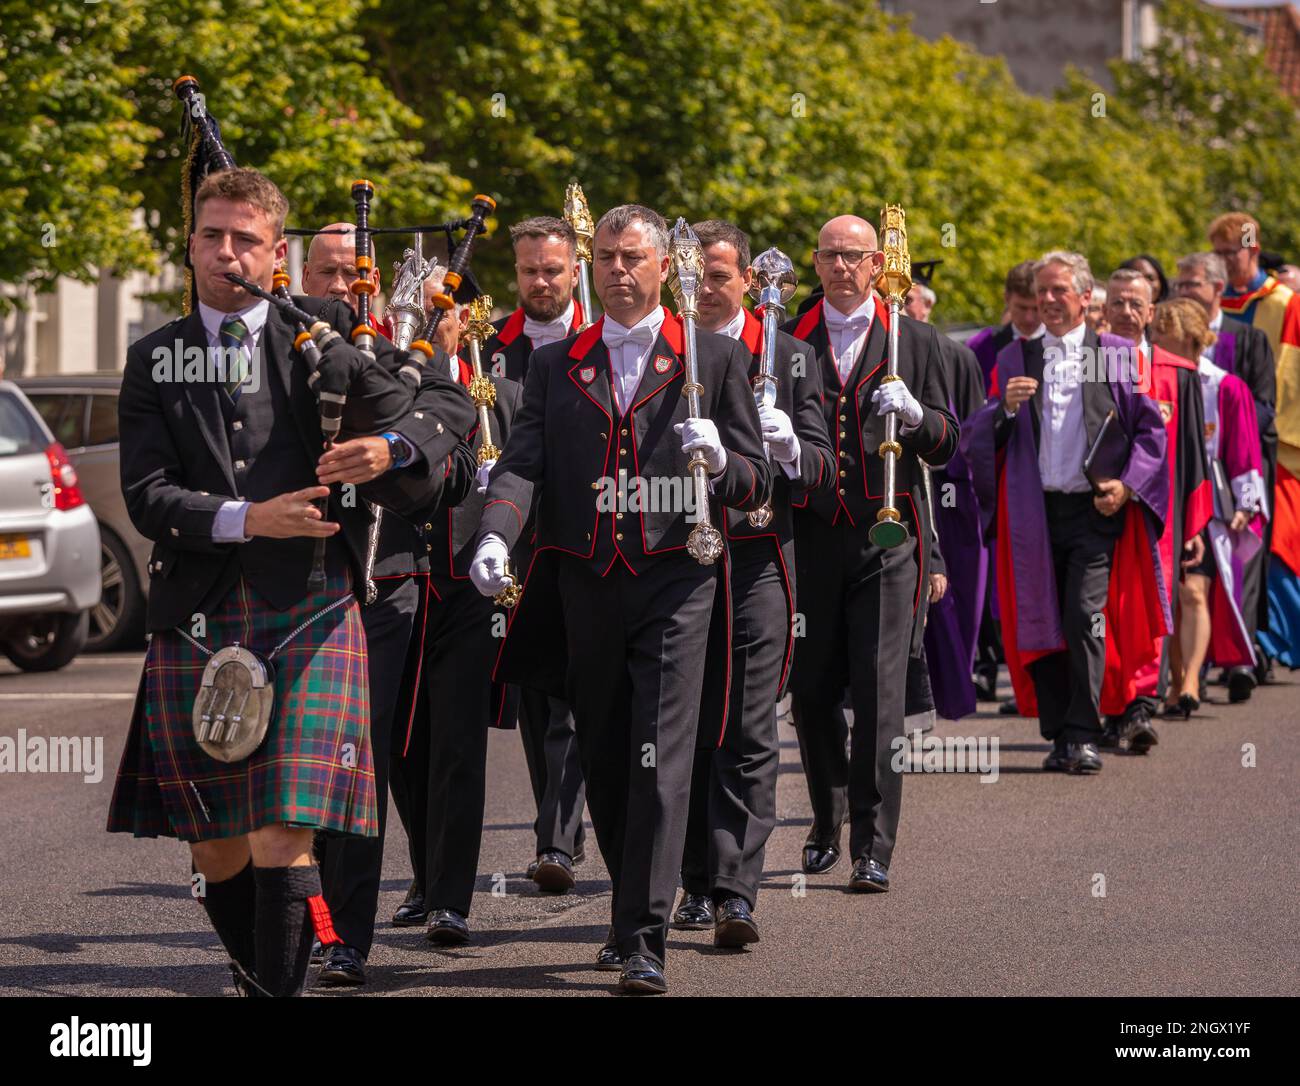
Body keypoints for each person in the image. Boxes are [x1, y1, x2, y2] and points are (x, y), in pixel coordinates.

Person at [106, 167, 474, 996]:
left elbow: (449, 403)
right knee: (214, 844)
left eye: (246, 240)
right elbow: (145, 494)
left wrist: (393, 448)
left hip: (310, 601)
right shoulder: (153, 358)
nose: (225, 253)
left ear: (277, 255)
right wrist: (248, 516)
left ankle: (278, 990)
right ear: (191, 242)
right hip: (197, 611)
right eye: (212, 235)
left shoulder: (325, 331)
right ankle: (257, 974)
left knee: (281, 834)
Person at [469, 205, 770, 994]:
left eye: (633, 256)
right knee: (602, 751)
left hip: (678, 578)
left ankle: (644, 935)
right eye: (604, 256)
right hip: (586, 579)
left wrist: (727, 464)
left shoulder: (713, 358)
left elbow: (757, 482)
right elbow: (523, 462)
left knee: (663, 757)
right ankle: (625, 910)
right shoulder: (558, 362)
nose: (617, 270)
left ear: (663, 266)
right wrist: (498, 533)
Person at [308, 236, 476, 988]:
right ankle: (282, 921)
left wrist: (397, 450)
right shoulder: (275, 338)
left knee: (358, 763)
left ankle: (342, 937)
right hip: (280, 584)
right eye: (330, 273)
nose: (346, 285)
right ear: (300, 275)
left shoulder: (404, 353)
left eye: (356, 273)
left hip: (382, 585)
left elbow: (459, 447)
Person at [781, 213, 958, 887]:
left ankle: (873, 844)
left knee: (881, 692)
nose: (842, 267)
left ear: (878, 263)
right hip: (811, 533)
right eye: (830, 255)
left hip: (890, 537)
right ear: (818, 262)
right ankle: (827, 816)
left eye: (854, 256)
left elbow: (947, 440)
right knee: (813, 689)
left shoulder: (914, 339)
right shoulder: (789, 338)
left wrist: (915, 417)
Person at [673, 220, 834, 945]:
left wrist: (790, 446)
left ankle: (737, 889)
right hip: (675, 555)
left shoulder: (792, 356)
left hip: (759, 558)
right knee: (681, 725)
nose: (705, 289)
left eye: (718, 275)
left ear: (747, 282)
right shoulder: (663, 349)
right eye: (694, 274)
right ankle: (693, 882)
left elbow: (829, 475)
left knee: (747, 723)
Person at [963, 251, 1168, 774]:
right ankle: (1058, 733)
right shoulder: (1015, 357)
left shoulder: (1115, 354)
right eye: (1042, 291)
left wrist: (1128, 485)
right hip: (1033, 513)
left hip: (1093, 510)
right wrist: (1004, 409)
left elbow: (1150, 432)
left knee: (1083, 616)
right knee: (1041, 622)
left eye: (1059, 291)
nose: (1048, 300)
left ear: (1084, 297)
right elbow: (979, 438)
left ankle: (1084, 732)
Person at [386, 273, 526, 950]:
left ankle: (450, 897)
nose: (446, 321)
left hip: (467, 577)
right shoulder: (397, 372)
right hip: (400, 576)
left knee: (459, 743)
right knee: (402, 748)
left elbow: (517, 469)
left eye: (455, 310)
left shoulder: (497, 382)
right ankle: (423, 872)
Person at [478, 216, 589, 891]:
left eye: (552, 269)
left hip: (587, 537)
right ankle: (561, 827)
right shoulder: (494, 348)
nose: (540, 282)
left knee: (575, 699)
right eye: (528, 271)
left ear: (575, 268)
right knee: (537, 691)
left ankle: (557, 839)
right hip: (521, 541)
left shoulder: (601, 339)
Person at [1100, 270, 1210, 745]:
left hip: (1157, 516)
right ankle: (1108, 707)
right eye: (1117, 303)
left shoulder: (1176, 372)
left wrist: (1195, 524)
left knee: (1148, 608)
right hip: (1099, 508)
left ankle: (1141, 704)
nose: (1126, 312)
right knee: (1102, 611)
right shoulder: (1087, 361)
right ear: (1104, 310)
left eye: (1135, 305)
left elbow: (1193, 454)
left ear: (1151, 312)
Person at [1151, 299, 1267, 716]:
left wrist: (1246, 502)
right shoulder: (1146, 379)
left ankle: (1190, 680)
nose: (1173, 357)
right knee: (1169, 596)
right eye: (1163, 346)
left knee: (1194, 590)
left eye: (1180, 347)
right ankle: (1171, 678)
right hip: (1159, 495)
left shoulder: (1224, 386)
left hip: (1208, 499)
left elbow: (1244, 448)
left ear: (1199, 343)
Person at [1173, 251, 1277, 696]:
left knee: (1236, 569)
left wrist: (1243, 485)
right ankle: (1183, 678)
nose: (1183, 292)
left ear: (1218, 288)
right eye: (1179, 284)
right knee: (1188, 585)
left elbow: (1265, 410)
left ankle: (1239, 656)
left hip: (1229, 476)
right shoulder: (1163, 346)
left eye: (1192, 284)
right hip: (1180, 482)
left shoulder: (1245, 342)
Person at [966, 260, 1045, 393]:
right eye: (1022, 307)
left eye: (1036, 308)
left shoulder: (1064, 344)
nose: (1029, 318)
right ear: (1007, 299)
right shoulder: (981, 346)